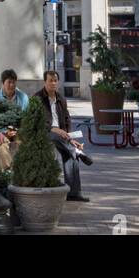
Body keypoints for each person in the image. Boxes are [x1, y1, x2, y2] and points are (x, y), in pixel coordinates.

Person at [38, 69, 91, 201]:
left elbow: (67, 120)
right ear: (45, 82)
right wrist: (53, 129)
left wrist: (70, 137)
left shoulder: (61, 99)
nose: (53, 83)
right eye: (50, 81)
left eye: (55, 80)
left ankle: (74, 193)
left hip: (62, 135)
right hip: (45, 132)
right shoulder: (37, 99)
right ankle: (77, 151)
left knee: (70, 156)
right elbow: (36, 121)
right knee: (69, 148)